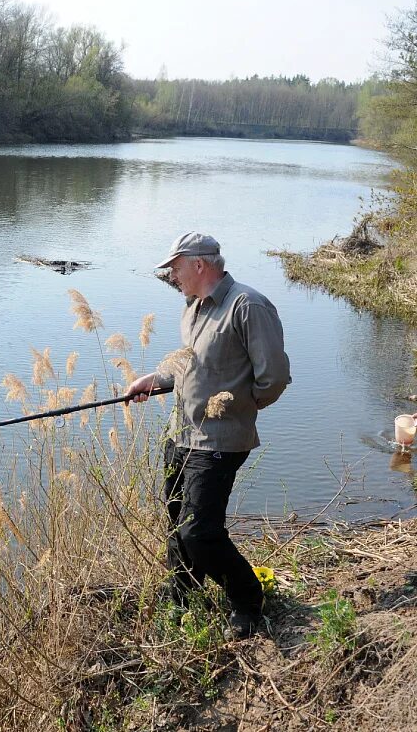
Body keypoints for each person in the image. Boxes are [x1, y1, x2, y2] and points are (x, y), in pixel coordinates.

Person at [125, 232, 291, 639]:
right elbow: (193, 365)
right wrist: (156, 379)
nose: (172, 276)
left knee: (199, 531)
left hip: (217, 442)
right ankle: (183, 596)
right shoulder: (194, 308)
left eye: (176, 268)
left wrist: (236, 411)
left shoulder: (248, 306)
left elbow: (274, 378)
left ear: (199, 265)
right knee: (175, 524)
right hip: (180, 434)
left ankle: (248, 599)